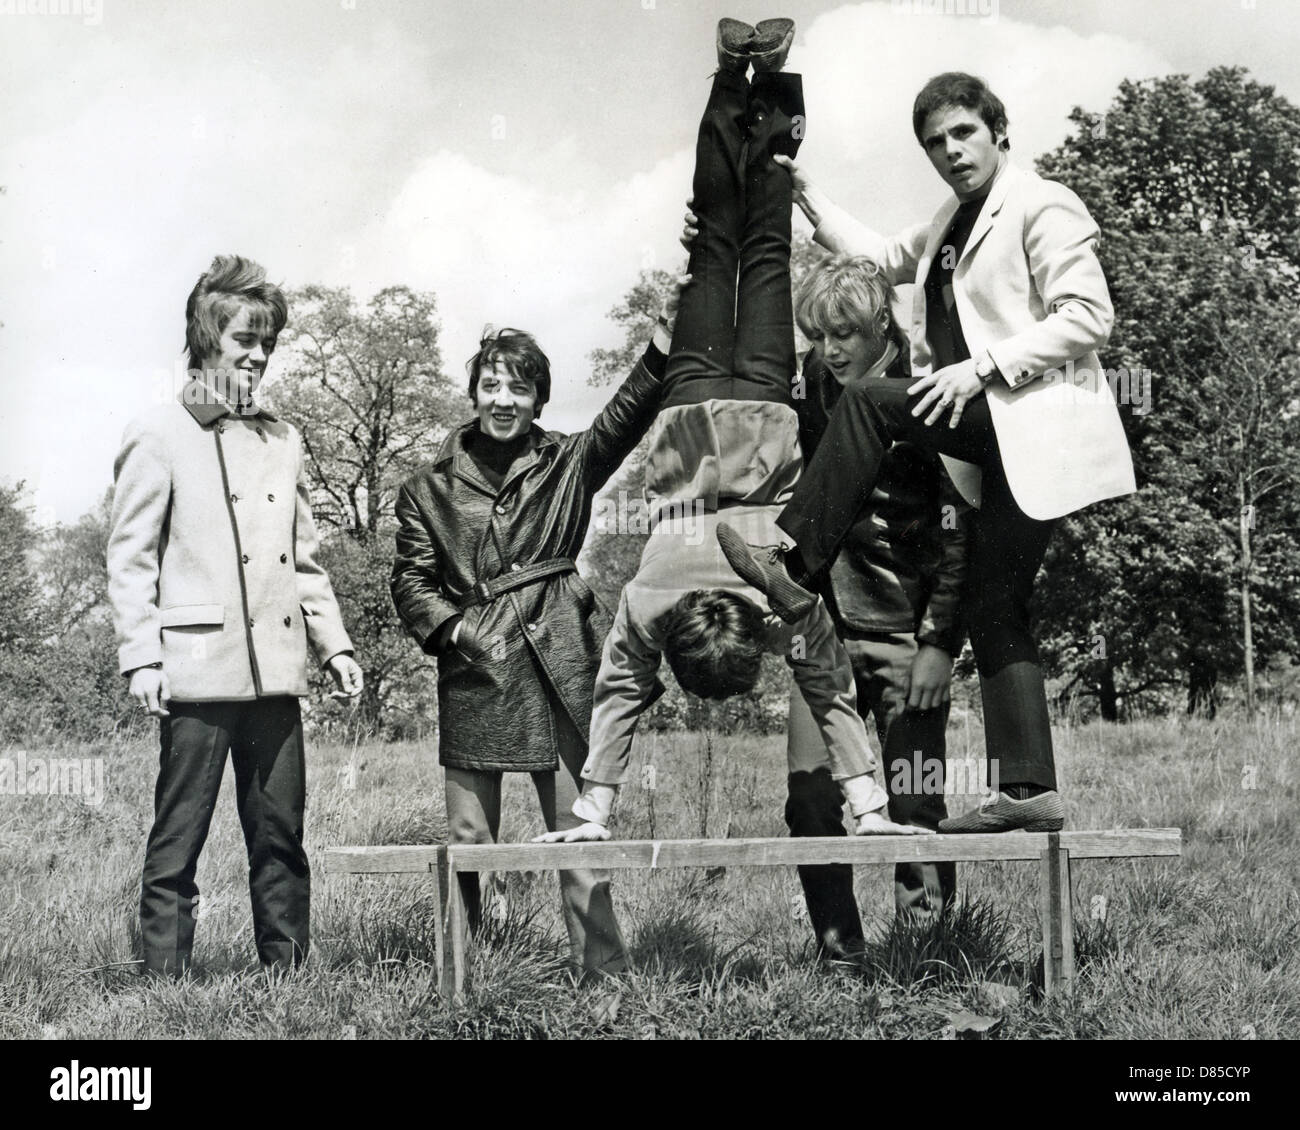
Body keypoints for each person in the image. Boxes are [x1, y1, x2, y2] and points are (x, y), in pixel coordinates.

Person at [536, 19, 930, 882]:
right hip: (712, 401)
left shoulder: (779, 597)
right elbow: (624, 698)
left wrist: (870, 809)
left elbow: (825, 693)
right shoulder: (654, 603)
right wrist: (592, 810)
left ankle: (770, 85)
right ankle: (736, 80)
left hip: (741, 396)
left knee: (749, 242)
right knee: (720, 243)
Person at [718, 71, 1136, 833]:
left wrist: (980, 366)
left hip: (1029, 420)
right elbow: (883, 256)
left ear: (999, 132)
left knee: (875, 403)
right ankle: (1028, 790)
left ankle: (791, 565)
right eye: (935, 143)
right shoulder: (952, 217)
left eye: (963, 133)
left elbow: (1089, 316)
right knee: (993, 600)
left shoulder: (1042, 204)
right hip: (995, 440)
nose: (950, 151)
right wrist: (809, 197)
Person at [389, 294, 685, 979]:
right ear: (472, 393)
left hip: (560, 656)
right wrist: (460, 631)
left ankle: (602, 982)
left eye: (518, 387)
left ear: (539, 399)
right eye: (490, 384)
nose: (503, 399)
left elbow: (625, 415)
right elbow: (411, 581)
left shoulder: (569, 464)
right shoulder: (426, 488)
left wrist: (664, 340)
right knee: (468, 837)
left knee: (578, 831)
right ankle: (462, 985)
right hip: (478, 665)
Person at [107, 254, 364, 976]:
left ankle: (286, 976)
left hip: (278, 676)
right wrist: (143, 658)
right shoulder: (157, 433)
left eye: (267, 343)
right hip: (193, 674)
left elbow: (304, 560)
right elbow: (129, 560)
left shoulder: (284, 440)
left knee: (281, 834)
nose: (256, 356)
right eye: (242, 339)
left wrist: (335, 647)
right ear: (206, 338)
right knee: (178, 837)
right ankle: (165, 987)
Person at [782, 254, 970, 938]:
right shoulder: (811, 381)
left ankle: (926, 958)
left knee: (915, 797)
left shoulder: (926, 394)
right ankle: (840, 953)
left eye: (845, 334)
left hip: (903, 631)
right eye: (819, 335)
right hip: (820, 627)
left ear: (881, 326)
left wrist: (939, 643)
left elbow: (960, 530)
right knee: (809, 799)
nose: (830, 351)